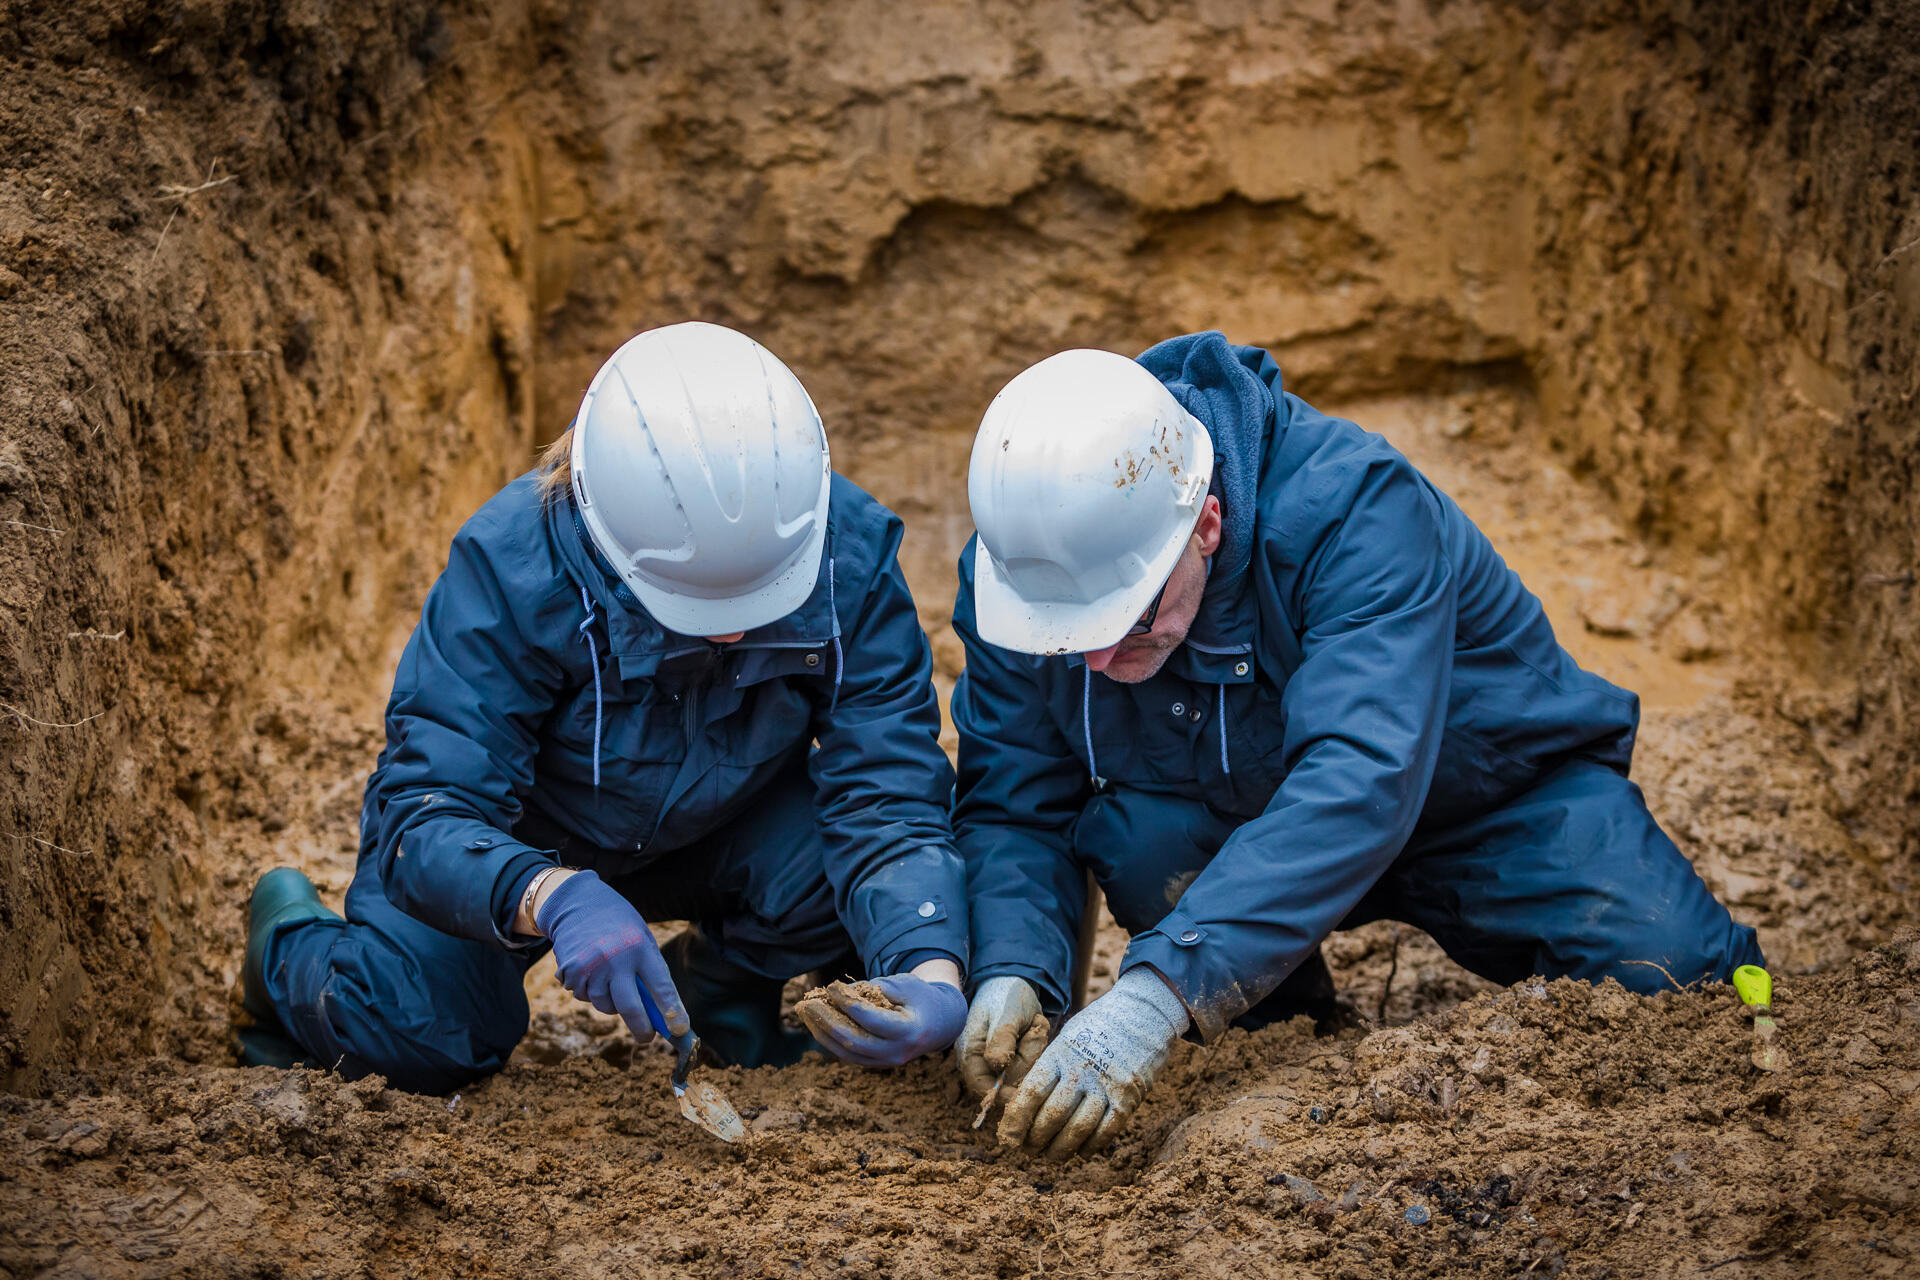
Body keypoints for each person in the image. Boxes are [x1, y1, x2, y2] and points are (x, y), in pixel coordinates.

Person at [950, 332, 1764, 1158]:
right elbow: (1017, 801)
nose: (1094, 660)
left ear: (1205, 524)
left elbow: (1360, 776)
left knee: (1682, 981)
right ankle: (1281, 1039)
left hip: (1484, 800)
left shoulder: (1356, 510)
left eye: (1127, 622)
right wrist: (1013, 965)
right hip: (1231, 816)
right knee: (1139, 836)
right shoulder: (1031, 578)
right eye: (1071, 636)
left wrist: (1155, 997)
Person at [234, 322, 968, 1093]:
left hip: (725, 824)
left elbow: (889, 794)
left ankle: (718, 992)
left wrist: (932, 971)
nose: (733, 627)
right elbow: (424, 813)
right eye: (694, 601)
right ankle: (285, 947)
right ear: (606, 533)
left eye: (758, 596)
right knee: (421, 1034)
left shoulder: (845, 556)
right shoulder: (512, 568)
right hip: (519, 836)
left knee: (908, 902)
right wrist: (548, 894)